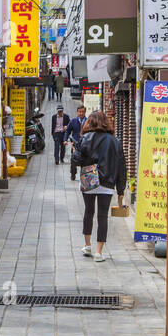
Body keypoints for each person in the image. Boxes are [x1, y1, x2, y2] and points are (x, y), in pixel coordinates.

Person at [70, 110, 127, 262]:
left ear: (90, 122)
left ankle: (87, 245)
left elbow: (77, 160)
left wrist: (75, 150)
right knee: (103, 216)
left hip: (89, 179)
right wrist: (121, 189)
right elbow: (122, 165)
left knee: (88, 212)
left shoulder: (84, 138)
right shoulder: (115, 141)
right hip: (107, 182)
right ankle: (99, 252)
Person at [66, 105, 88, 180]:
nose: (81, 113)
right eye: (79, 112)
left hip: (85, 145)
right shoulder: (73, 121)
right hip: (75, 145)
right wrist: (65, 140)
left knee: (84, 161)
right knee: (74, 161)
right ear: (77, 112)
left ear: (85, 112)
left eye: (83, 112)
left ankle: (83, 176)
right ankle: (73, 173)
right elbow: (68, 131)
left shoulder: (88, 122)